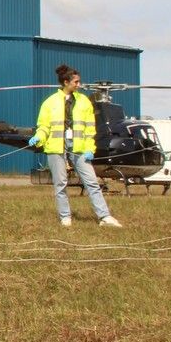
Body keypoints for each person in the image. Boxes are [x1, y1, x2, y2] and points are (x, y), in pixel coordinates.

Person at [27, 64, 121, 227]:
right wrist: (38, 137)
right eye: (76, 82)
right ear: (65, 82)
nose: (79, 85)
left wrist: (90, 149)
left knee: (91, 181)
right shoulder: (49, 103)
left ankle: (104, 216)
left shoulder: (85, 102)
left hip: (79, 148)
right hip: (56, 147)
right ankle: (65, 217)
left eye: (79, 82)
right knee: (60, 183)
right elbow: (44, 126)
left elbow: (90, 129)